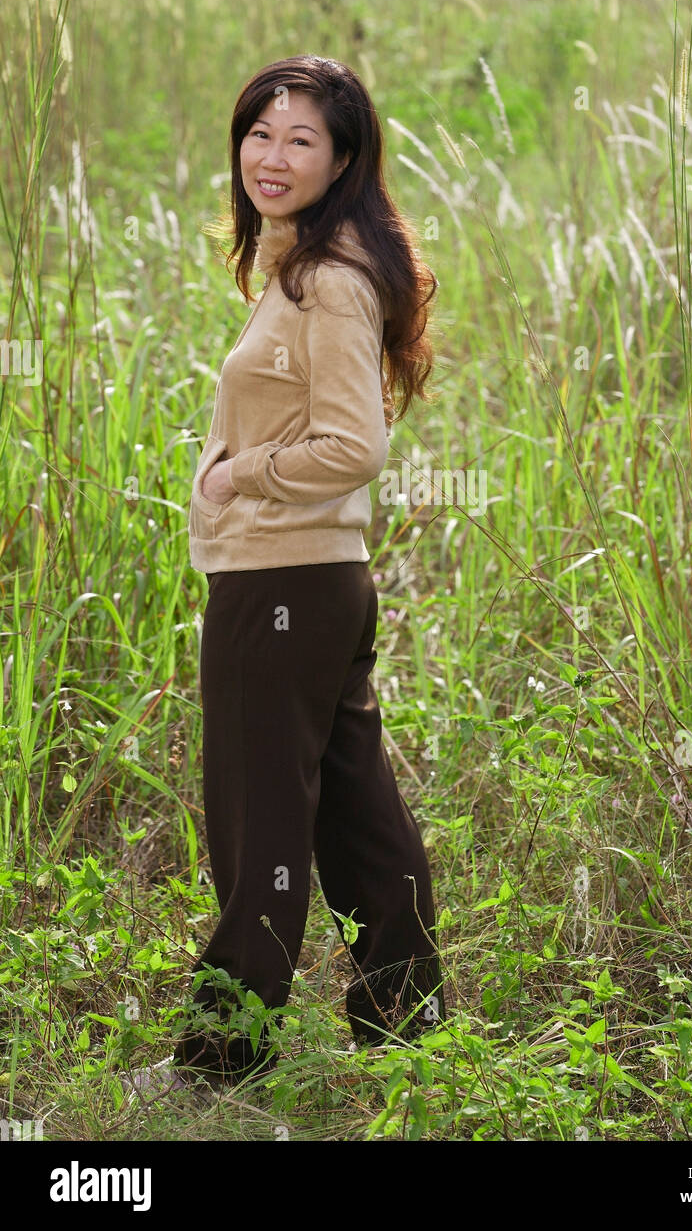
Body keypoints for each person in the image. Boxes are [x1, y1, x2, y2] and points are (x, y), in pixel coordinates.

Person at [168, 55, 446, 1086]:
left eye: (299, 141)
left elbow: (353, 445)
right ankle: (407, 1026)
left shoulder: (326, 282)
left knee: (259, 824)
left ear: (341, 162)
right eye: (258, 133)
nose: (270, 157)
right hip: (312, 579)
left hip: (283, 583)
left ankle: (220, 1058)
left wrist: (242, 476)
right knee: (353, 813)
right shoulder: (301, 266)